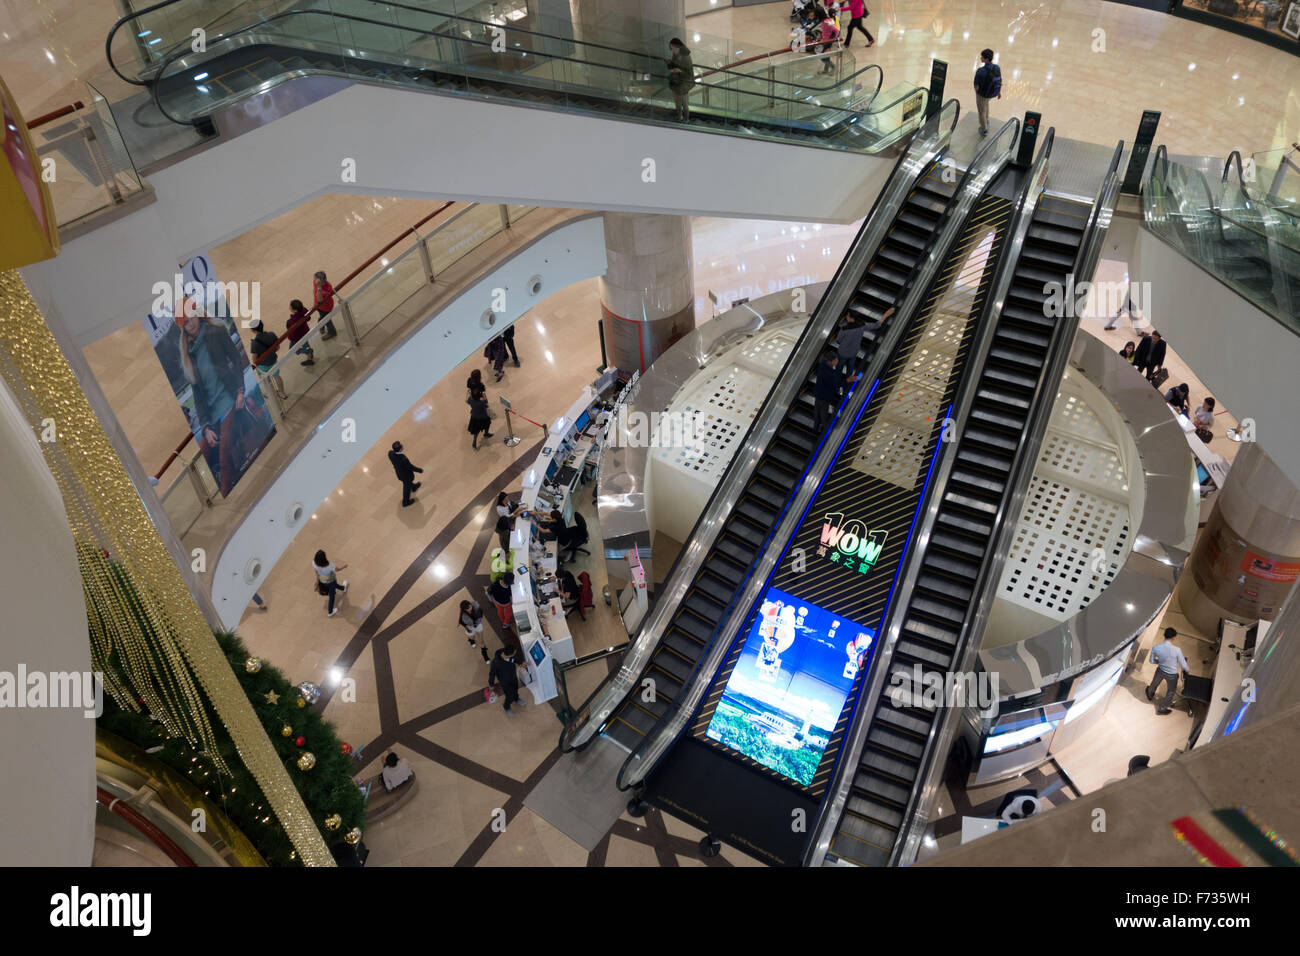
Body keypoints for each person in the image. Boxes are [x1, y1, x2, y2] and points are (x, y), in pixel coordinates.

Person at [177, 301, 255, 497]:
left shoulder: (216, 330)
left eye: (192, 317)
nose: (191, 323)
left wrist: (239, 390)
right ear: (183, 328)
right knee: (205, 453)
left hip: (228, 401)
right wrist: (205, 426)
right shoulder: (189, 356)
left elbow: (236, 359)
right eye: (186, 322)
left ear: (198, 314)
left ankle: (229, 497)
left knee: (223, 457)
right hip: (211, 414)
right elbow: (198, 397)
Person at [1146, 627, 1188, 715]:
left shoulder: (1156, 647)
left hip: (1160, 670)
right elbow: (1184, 665)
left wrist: (1160, 662)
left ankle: (1150, 695)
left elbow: (1152, 661)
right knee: (1171, 691)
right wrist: (1187, 671)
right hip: (1172, 675)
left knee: (1154, 684)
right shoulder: (1177, 650)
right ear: (1173, 638)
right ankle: (1162, 709)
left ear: (1164, 635)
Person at [813, 350, 853, 432]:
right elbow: (835, 384)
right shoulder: (828, 373)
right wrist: (847, 380)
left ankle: (815, 427)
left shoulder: (823, 364)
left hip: (818, 393)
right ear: (831, 361)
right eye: (836, 360)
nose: (837, 362)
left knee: (817, 410)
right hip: (825, 396)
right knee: (824, 413)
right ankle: (824, 430)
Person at [248, 320, 287, 399]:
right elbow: (277, 347)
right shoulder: (271, 334)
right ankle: (282, 393)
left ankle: (270, 394)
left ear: (253, 330)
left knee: (267, 381)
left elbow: (254, 360)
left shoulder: (254, 343)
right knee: (277, 376)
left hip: (262, 366)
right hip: (273, 360)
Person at [488, 645, 525, 715]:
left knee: (515, 688)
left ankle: (516, 699)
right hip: (505, 681)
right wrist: (491, 684)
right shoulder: (495, 663)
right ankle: (506, 707)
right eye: (514, 653)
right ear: (510, 654)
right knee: (509, 695)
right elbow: (491, 674)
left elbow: (515, 659)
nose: (515, 653)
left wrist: (521, 663)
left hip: (513, 677)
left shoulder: (508, 653)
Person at [973, 48, 1002, 137]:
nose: (981, 58)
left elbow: (976, 85)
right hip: (992, 93)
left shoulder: (980, 71)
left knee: (981, 111)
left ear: (986, 59)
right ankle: (987, 120)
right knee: (986, 105)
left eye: (982, 57)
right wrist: (999, 92)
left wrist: (977, 93)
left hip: (982, 94)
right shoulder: (997, 68)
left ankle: (984, 129)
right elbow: (999, 81)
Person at [665, 37, 695, 121]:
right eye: (671, 48)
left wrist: (680, 71)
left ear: (678, 47)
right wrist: (669, 64)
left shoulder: (686, 57)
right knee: (677, 103)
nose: (672, 50)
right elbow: (674, 65)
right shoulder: (675, 54)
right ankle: (679, 117)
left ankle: (686, 119)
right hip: (676, 81)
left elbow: (689, 74)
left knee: (684, 104)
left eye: (673, 48)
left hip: (684, 83)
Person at [312, 549, 349, 618]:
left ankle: (343, 588)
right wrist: (344, 567)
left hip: (322, 580)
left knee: (335, 585)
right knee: (332, 596)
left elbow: (316, 571)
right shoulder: (329, 565)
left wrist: (317, 579)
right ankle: (330, 612)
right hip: (330, 580)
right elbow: (337, 570)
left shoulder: (314, 563)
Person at [388, 440, 423, 507]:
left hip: (399, 473)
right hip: (406, 475)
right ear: (400, 449)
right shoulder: (403, 459)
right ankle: (405, 502)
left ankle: (413, 487)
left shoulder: (390, 453)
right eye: (401, 445)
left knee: (408, 483)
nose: (403, 445)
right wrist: (420, 470)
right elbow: (410, 467)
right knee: (406, 487)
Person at [287, 299, 314, 366]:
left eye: (290, 306)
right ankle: (309, 357)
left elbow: (294, 332)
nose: (289, 307)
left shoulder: (294, 320)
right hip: (305, 331)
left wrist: (291, 338)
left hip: (298, 337)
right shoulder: (304, 310)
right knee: (305, 344)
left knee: (293, 349)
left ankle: (309, 351)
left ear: (295, 310)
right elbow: (308, 318)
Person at [313, 270, 337, 339]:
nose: (314, 280)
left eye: (315, 279)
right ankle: (321, 326)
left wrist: (319, 287)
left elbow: (319, 299)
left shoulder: (324, 291)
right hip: (320, 307)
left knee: (327, 320)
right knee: (322, 317)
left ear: (320, 282)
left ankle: (332, 332)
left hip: (325, 308)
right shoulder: (317, 283)